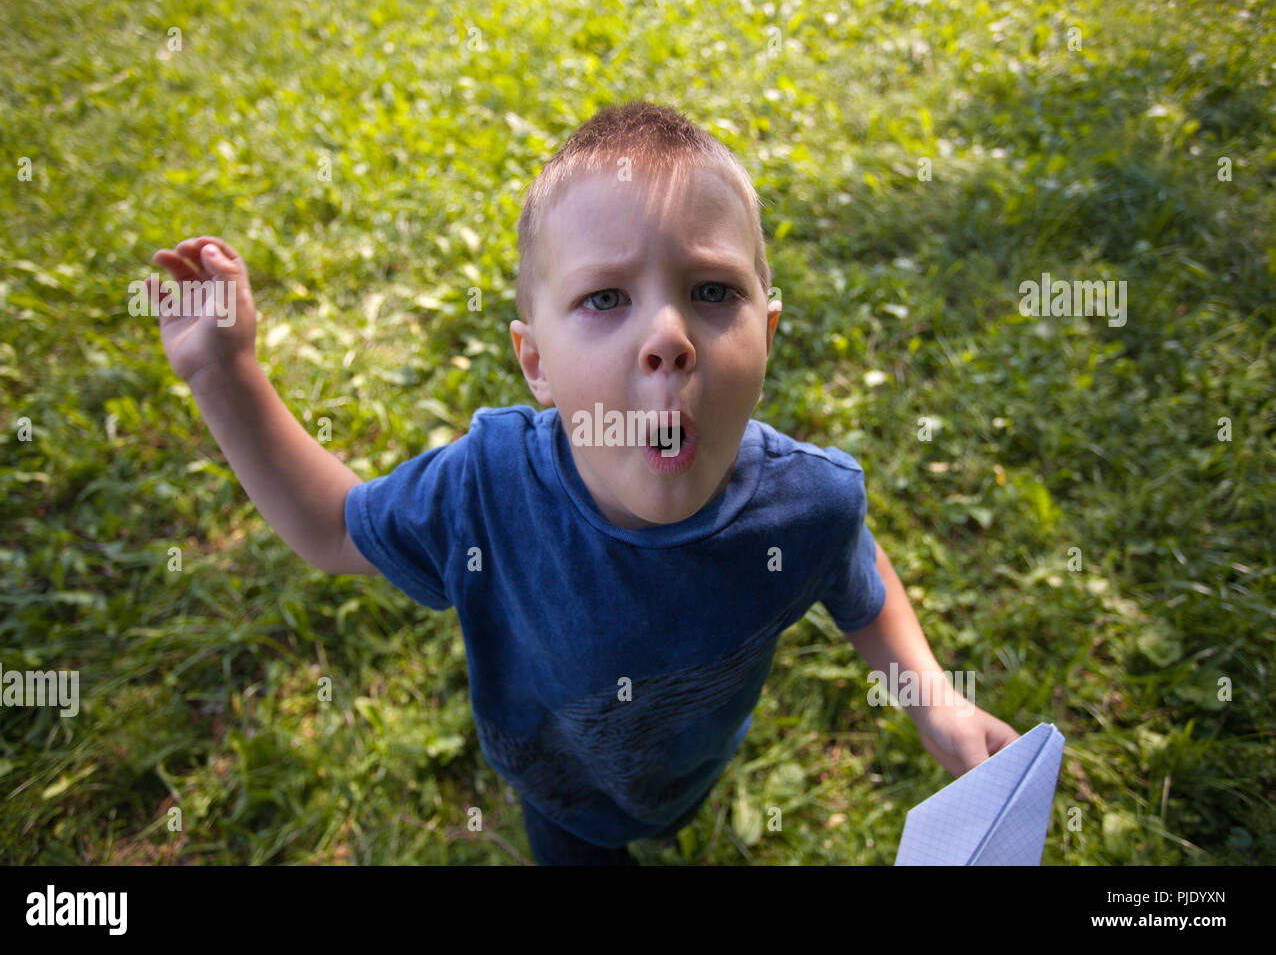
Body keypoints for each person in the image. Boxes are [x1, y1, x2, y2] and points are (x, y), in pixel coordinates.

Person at [147, 100, 1020, 865]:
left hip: (692, 766)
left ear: (770, 332)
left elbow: (859, 585)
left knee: (670, 807)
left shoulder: (808, 504)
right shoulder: (489, 493)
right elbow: (335, 530)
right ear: (536, 362)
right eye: (606, 299)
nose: (669, 335)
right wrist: (226, 374)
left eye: (713, 291)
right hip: (554, 787)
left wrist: (934, 701)